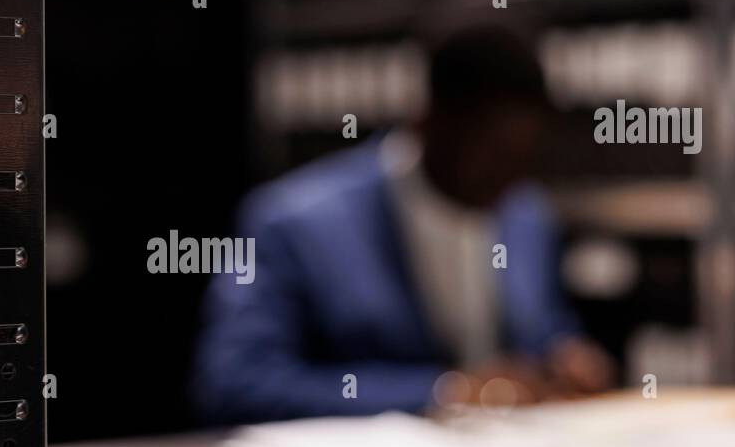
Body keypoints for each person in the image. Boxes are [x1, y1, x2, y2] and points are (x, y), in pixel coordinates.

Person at [194, 25, 614, 424]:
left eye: (525, 156)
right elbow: (237, 384)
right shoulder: (293, 224)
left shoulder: (525, 213)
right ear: (428, 122)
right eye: (494, 154)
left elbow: (540, 329)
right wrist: (441, 393)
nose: (510, 179)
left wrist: (564, 354)